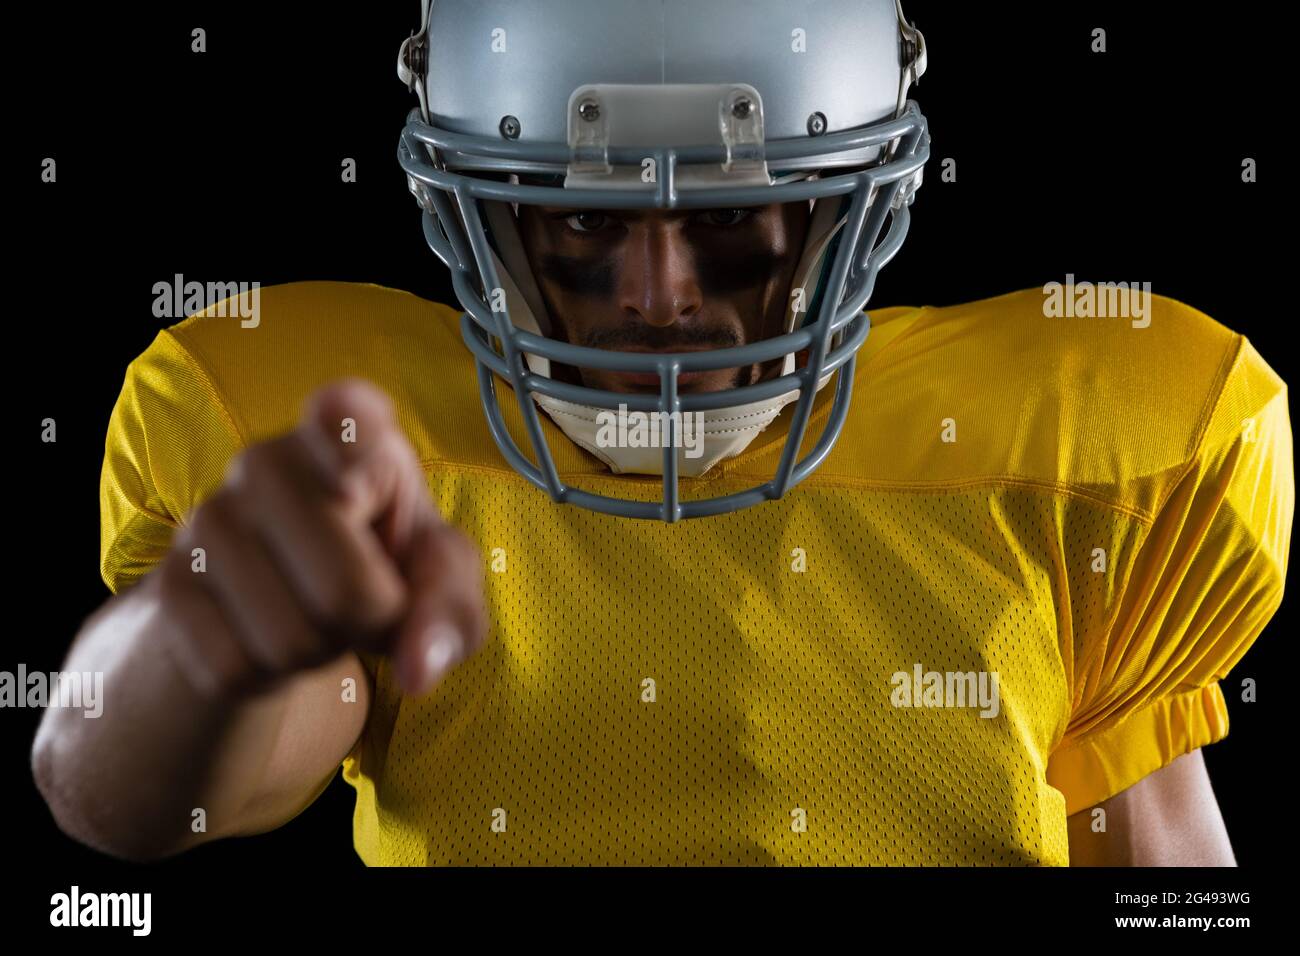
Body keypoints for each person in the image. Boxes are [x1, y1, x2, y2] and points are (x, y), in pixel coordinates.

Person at [32, 0, 1291, 866]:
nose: (656, 294)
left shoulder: (1085, 454)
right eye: (583, 225)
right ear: (472, 209)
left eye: (733, 214)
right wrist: (202, 642)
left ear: (854, 202)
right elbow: (136, 794)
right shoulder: (364, 468)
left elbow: (1158, 864)